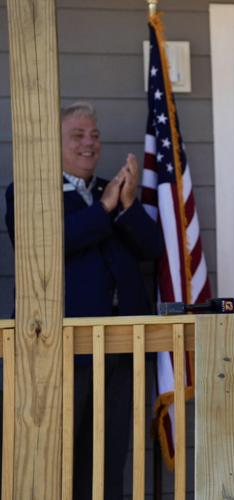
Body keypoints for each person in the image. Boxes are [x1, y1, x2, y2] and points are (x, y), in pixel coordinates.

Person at [4, 101, 163, 499]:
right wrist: (105, 207)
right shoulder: (29, 191)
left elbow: (152, 249)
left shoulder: (115, 190)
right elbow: (45, 247)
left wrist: (127, 204)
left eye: (94, 135)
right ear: (52, 143)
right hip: (60, 347)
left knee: (109, 455)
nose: (89, 143)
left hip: (122, 344)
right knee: (58, 454)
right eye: (77, 135)